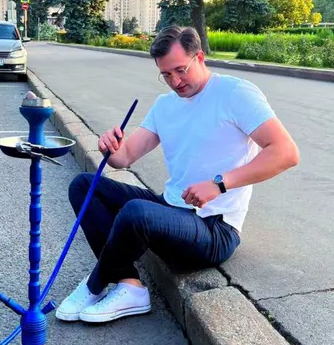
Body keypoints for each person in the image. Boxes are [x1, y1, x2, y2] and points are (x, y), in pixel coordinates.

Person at [56, 25, 300, 324]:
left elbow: (286, 152)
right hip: (172, 209)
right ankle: (128, 284)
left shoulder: (235, 93)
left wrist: (220, 184)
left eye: (181, 70)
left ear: (200, 57)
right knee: (84, 185)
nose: (175, 81)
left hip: (214, 227)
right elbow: (124, 158)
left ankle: (95, 283)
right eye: (166, 75)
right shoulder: (165, 105)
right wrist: (109, 145)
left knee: (137, 212)